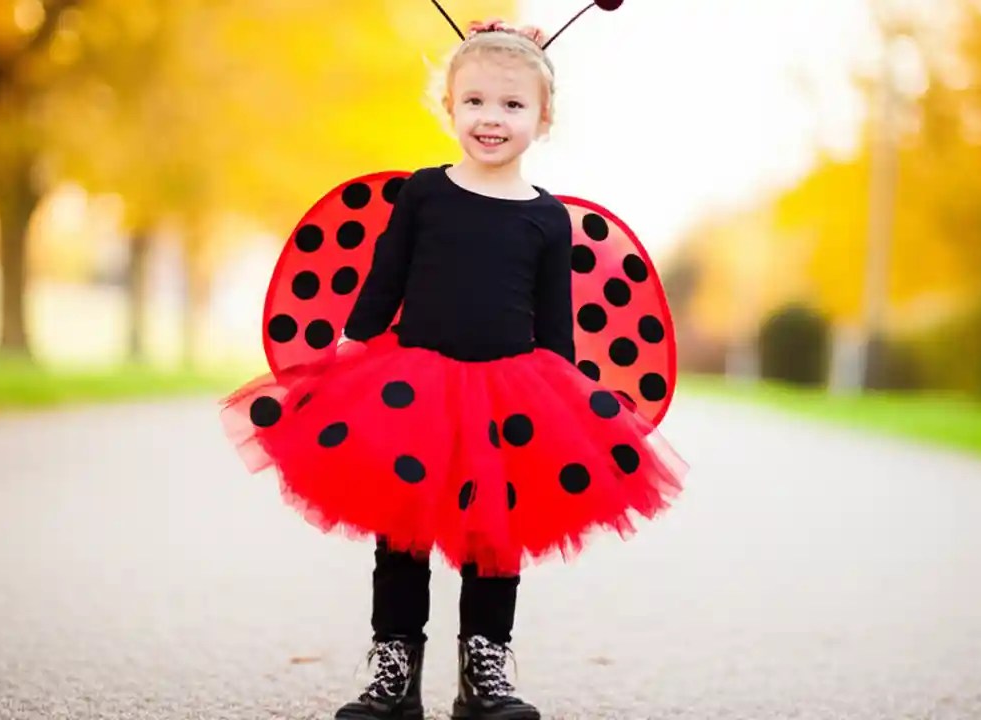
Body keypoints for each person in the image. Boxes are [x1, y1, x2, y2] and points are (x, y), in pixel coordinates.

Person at [219, 3, 686, 719]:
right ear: (449, 108)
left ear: (544, 117)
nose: (490, 117)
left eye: (511, 103)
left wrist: (569, 410)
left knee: (494, 541)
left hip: (512, 396)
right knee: (399, 538)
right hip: (412, 390)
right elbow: (385, 280)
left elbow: (555, 327)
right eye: (474, 101)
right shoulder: (425, 193)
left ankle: (484, 670)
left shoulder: (546, 218)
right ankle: (394, 671)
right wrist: (344, 354)